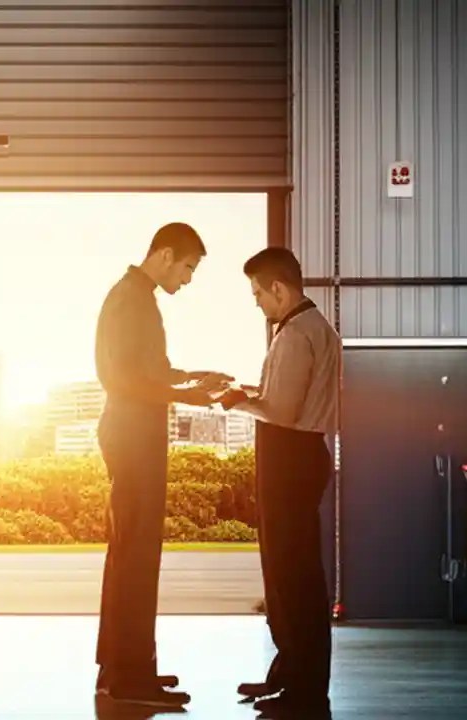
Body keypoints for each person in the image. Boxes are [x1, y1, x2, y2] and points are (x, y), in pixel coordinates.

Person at [93, 222, 232, 708]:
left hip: (130, 431)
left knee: (128, 551)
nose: (188, 280)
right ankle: (130, 680)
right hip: (133, 434)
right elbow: (130, 379)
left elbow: (148, 371)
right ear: (166, 254)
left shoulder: (132, 296)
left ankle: (120, 667)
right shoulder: (134, 300)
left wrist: (195, 377)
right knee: (137, 555)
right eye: (189, 268)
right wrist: (187, 395)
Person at [219, 247, 340, 718]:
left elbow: (281, 412)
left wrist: (235, 400)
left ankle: (301, 690)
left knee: (290, 579)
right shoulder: (318, 329)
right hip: (305, 457)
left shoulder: (293, 335)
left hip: (289, 461)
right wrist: (252, 392)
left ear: (278, 288)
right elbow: (286, 396)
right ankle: (290, 677)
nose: (257, 303)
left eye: (258, 293)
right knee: (297, 577)